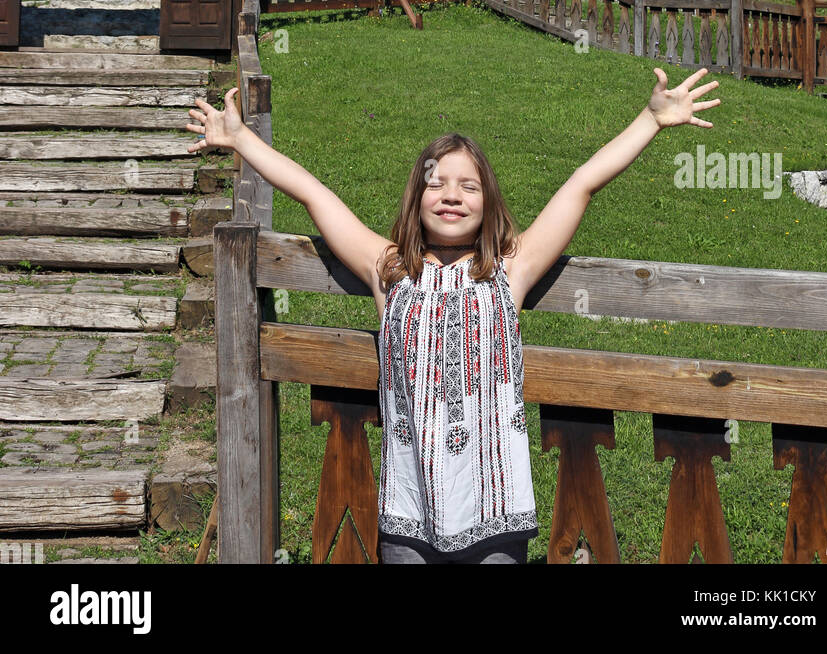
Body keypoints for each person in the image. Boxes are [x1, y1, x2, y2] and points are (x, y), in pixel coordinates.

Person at [187, 66, 720, 565]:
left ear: (488, 203)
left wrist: (649, 120)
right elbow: (313, 195)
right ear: (415, 198)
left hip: (498, 511)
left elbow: (581, 184)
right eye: (436, 183)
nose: (451, 196)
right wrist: (241, 139)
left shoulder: (511, 269)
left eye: (469, 186)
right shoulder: (390, 270)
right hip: (407, 512)